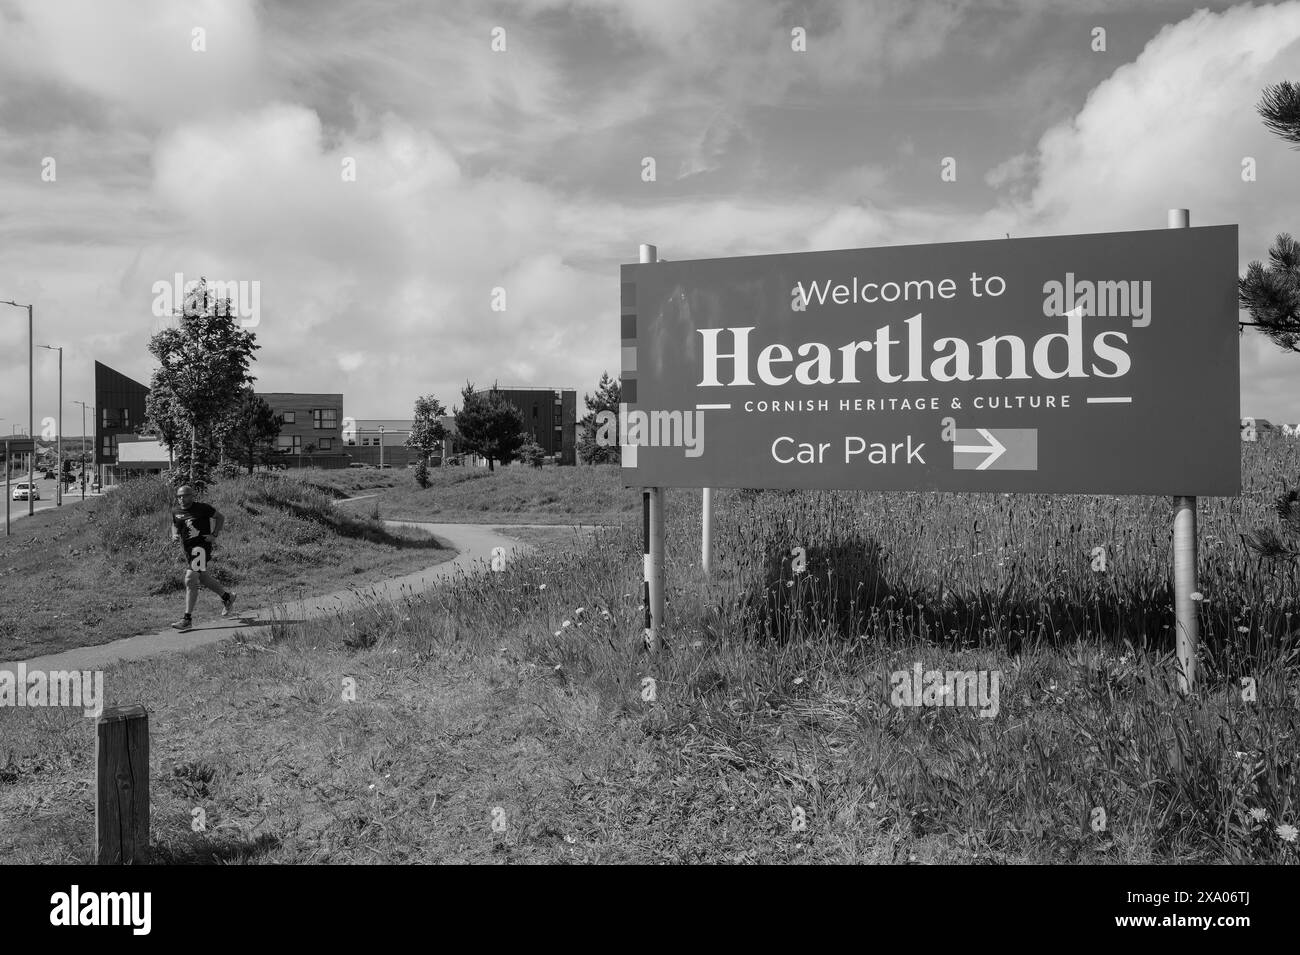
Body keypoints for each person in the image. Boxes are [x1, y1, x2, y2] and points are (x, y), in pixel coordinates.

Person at [169, 484, 235, 631]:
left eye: (184, 496)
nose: (181, 499)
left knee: (190, 579)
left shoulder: (202, 508)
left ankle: (187, 619)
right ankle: (227, 597)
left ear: (192, 496)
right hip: (188, 550)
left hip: (201, 548)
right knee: (203, 578)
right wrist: (174, 534)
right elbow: (175, 524)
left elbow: (220, 517)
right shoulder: (176, 511)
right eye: (179, 496)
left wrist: (214, 534)